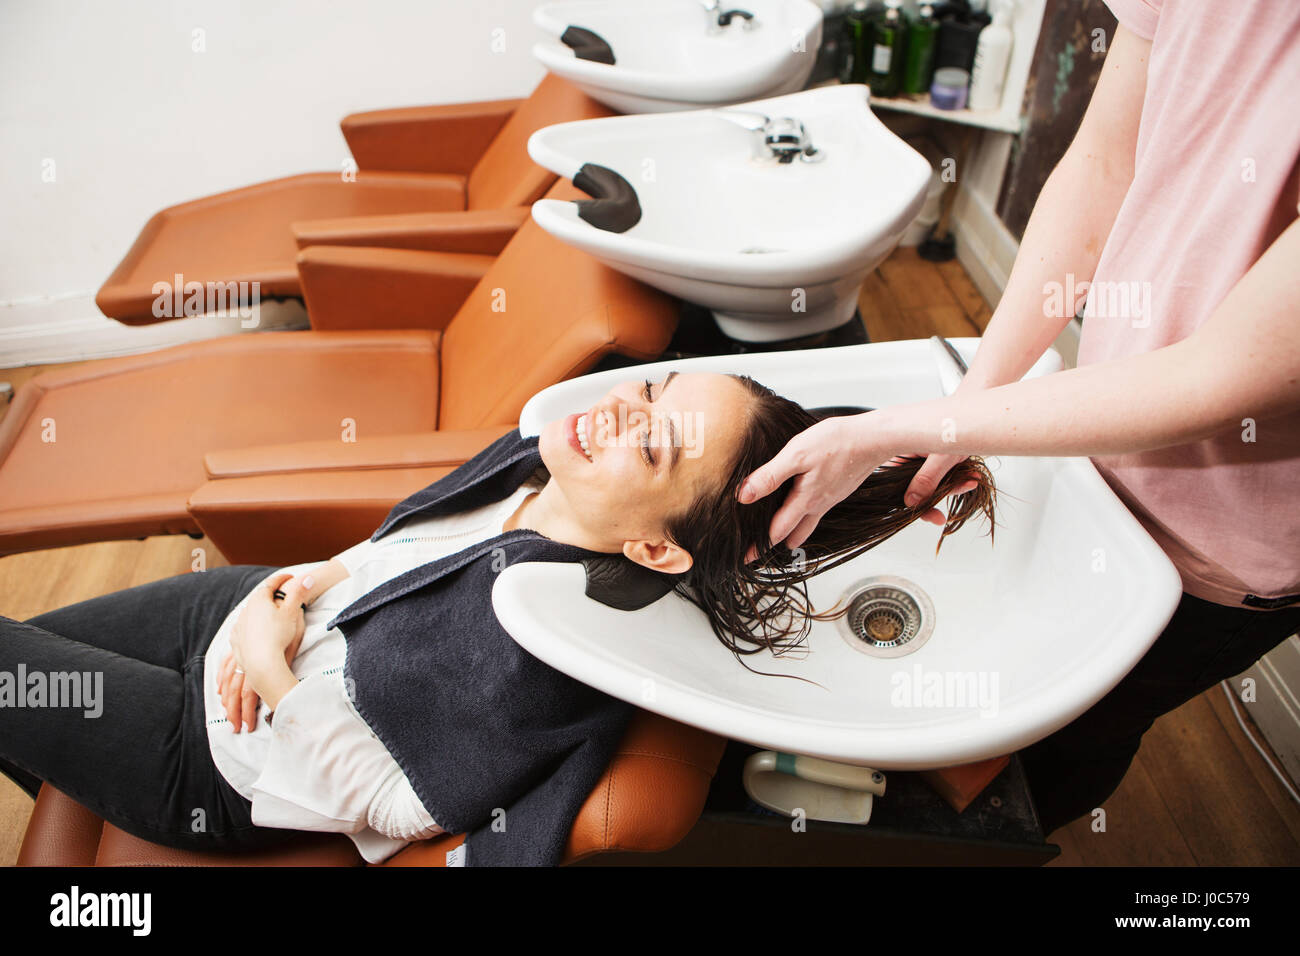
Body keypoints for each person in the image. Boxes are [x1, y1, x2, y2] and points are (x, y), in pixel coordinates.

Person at [1, 370, 997, 864]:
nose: (613, 413)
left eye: (649, 446)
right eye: (648, 392)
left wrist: (273, 673)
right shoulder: (536, 462)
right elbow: (397, 547)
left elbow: (406, 814)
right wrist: (303, 584)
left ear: (657, 548)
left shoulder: (541, 643)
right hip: (246, 601)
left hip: (216, 755)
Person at [736, 2, 1300, 836]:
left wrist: (899, 430)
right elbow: (1104, 164)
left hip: (1221, 541)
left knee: (1046, 761)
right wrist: (970, 405)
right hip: (1099, 431)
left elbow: (1218, 374)